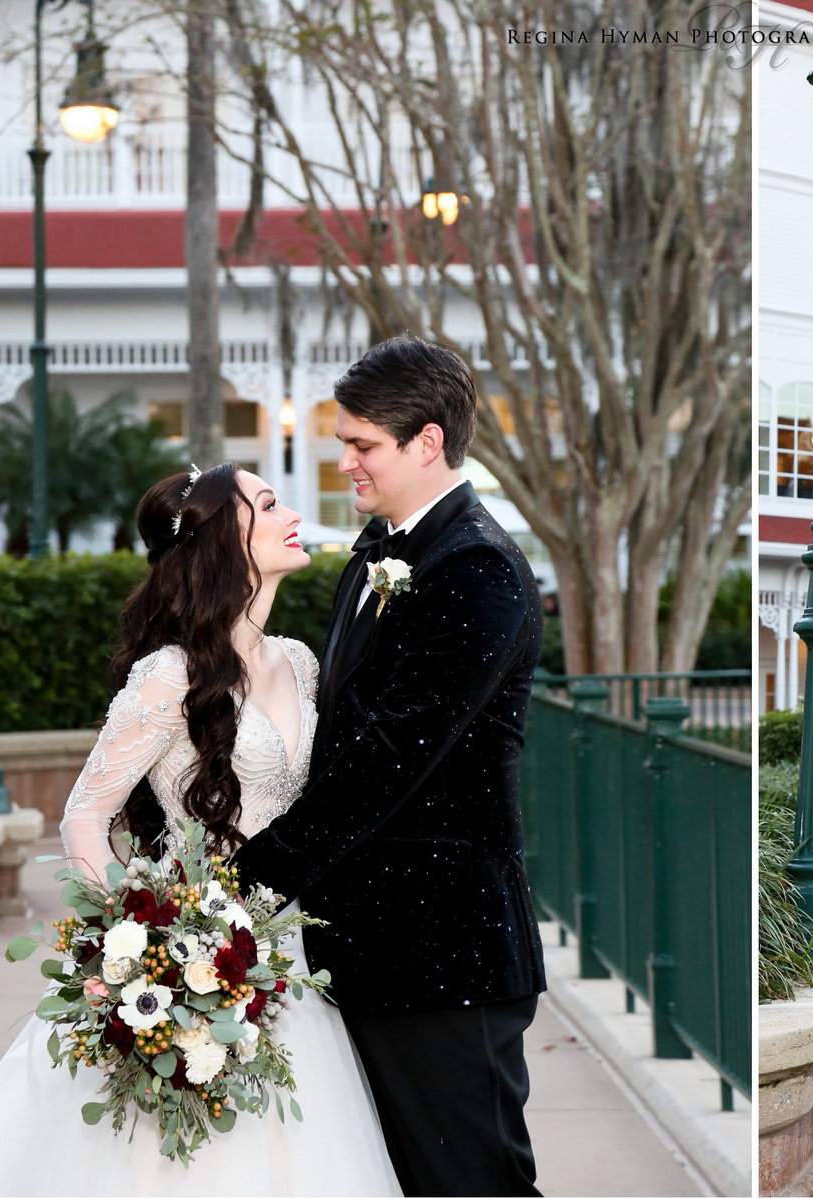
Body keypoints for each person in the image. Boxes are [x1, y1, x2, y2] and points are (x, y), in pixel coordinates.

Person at [0, 463, 401, 1196]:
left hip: (292, 959)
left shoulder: (301, 663)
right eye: (270, 504)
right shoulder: (168, 676)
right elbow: (84, 814)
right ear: (223, 540)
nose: (292, 515)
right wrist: (134, 943)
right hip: (192, 953)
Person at [233, 336, 547, 1197]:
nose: (345, 462)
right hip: (373, 947)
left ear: (428, 441)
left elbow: (386, 763)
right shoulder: (379, 549)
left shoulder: (477, 568)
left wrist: (238, 884)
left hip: (445, 955)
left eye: (362, 444)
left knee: (475, 1185)